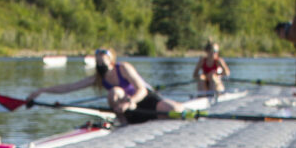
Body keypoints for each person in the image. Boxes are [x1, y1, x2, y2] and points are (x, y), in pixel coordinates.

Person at [27, 47, 181, 122]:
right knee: (114, 92)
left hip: (143, 99)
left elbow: (142, 90)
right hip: (127, 108)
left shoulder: (123, 68)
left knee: (174, 110)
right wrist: (42, 90)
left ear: (111, 62)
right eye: (98, 63)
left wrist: (130, 102)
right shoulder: (98, 78)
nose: (100, 66)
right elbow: (69, 87)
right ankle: (124, 122)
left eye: (103, 63)